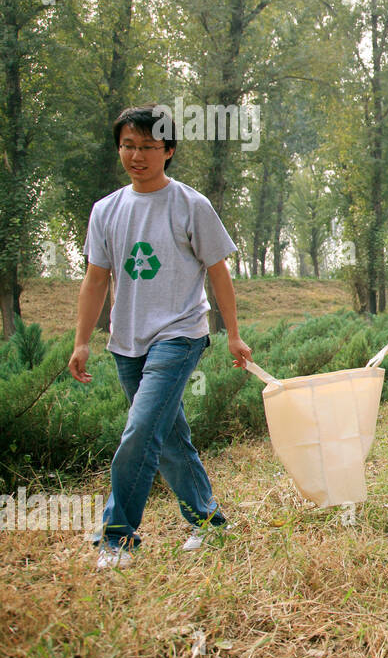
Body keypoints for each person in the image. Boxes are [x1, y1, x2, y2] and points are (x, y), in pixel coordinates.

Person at [69, 104, 251, 570]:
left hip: (180, 334)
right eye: (128, 146)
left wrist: (232, 334)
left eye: (148, 147)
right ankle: (209, 523)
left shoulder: (191, 205)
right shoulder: (106, 210)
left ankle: (117, 535)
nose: (137, 156)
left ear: (168, 151)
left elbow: (219, 273)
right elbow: (95, 280)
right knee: (167, 436)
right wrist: (82, 341)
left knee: (140, 430)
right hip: (126, 340)